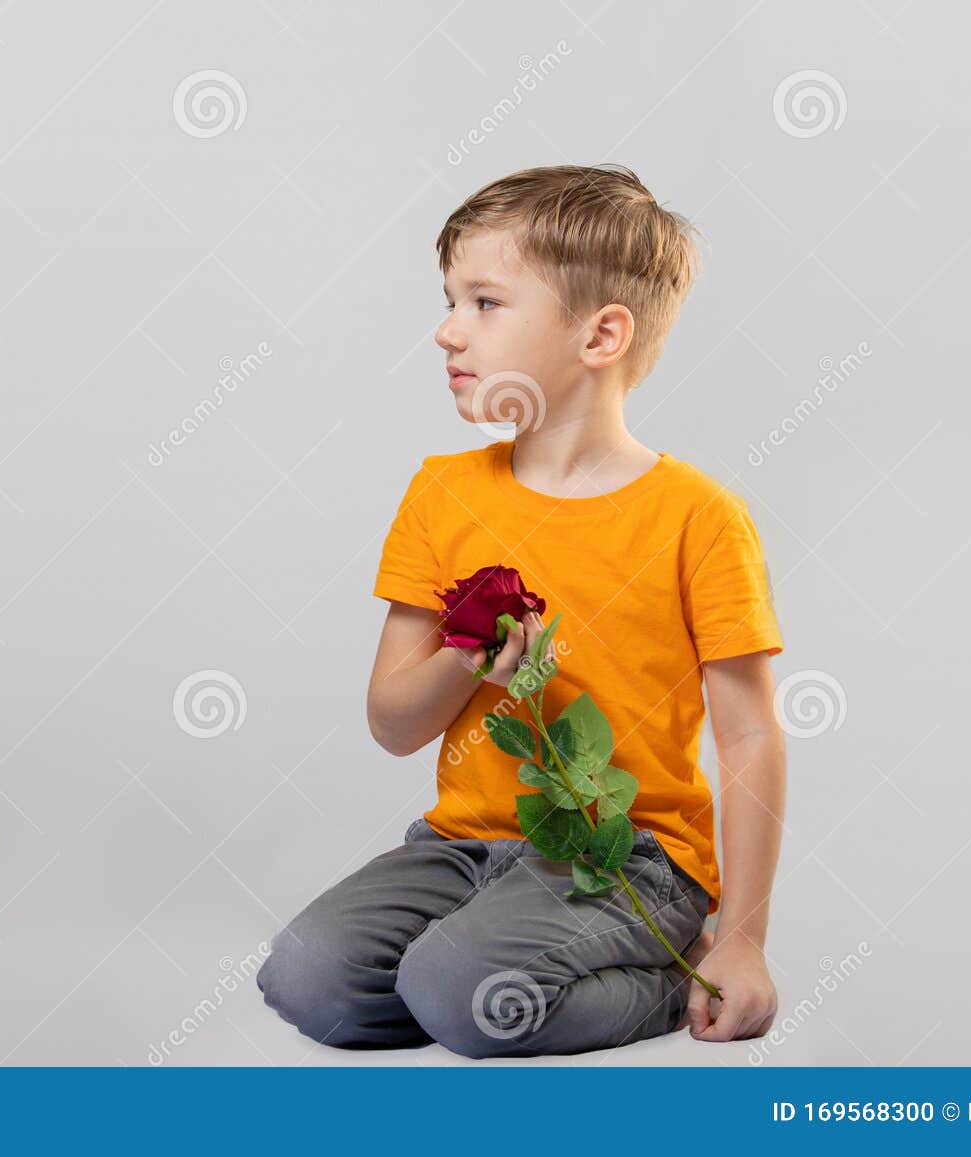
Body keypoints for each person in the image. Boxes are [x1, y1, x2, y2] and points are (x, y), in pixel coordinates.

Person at [257, 164, 786, 1058]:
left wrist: (743, 938)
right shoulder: (442, 492)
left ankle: (666, 974)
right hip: (463, 846)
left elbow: (750, 735)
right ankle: (474, 978)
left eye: (485, 303)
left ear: (601, 334)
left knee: (457, 987)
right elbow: (393, 725)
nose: (446, 329)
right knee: (307, 976)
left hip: (626, 859)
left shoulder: (697, 516)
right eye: (450, 299)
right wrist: (467, 659)